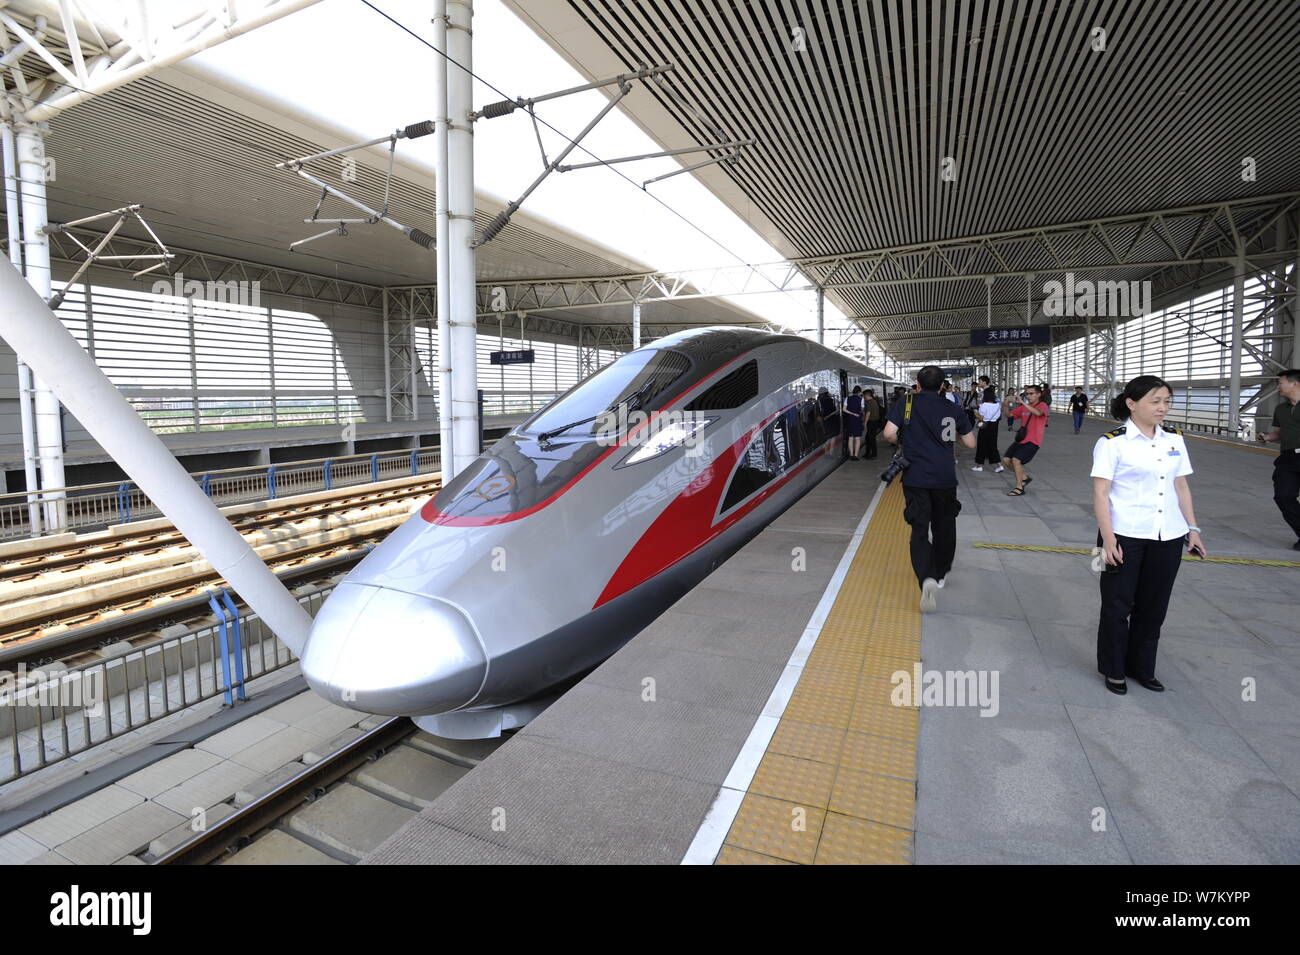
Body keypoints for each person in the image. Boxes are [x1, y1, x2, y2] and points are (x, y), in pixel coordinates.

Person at [1092, 375, 1206, 695]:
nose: (1162, 407)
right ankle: (1114, 668)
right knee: (1116, 605)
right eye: (1155, 401)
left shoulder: (1174, 439)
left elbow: (1180, 485)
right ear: (1132, 404)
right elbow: (1101, 493)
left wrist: (1192, 528)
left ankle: (1141, 667)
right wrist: (1108, 539)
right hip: (1123, 534)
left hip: (1168, 534)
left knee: (1154, 606)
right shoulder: (1112, 442)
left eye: (1166, 401)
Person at [882, 365, 976, 612]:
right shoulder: (954, 408)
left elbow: (889, 433)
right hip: (945, 478)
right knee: (945, 526)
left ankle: (926, 578)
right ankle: (942, 572)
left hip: (915, 478)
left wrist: (904, 440)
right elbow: (970, 442)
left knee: (919, 530)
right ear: (943, 386)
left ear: (918, 385)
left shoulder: (907, 403)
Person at [1256, 368, 1300, 550]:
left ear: (1294, 383)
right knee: (1283, 496)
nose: (1278, 386)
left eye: (1280, 382)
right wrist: (1267, 437)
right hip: (1288, 458)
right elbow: (1280, 432)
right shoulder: (1281, 409)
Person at [1002, 384, 1049, 495]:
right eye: (1027, 394)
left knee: (1016, 460)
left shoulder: (1042, 405)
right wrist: (1005, 404)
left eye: (1031, 394)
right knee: (1006, 460)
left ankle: (1019, 487)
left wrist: (1022, 402)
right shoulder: (1024, 407)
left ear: (1039, 394)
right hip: (1021, 439)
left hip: (1033, 441)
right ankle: (1024, 477)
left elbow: (1038, 413)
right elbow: (1009, 415)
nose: (1028, 396)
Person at [971, 385, 1004, 472]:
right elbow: (998, 416)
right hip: (994, 426)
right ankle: (999, 465)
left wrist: (975, 413)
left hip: (985, 426)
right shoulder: (998, 405)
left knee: (981, 445)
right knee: (993, 445)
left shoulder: (984, 405)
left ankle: (979, 465)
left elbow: (981, 417)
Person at [844, 385, 864, 459]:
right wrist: (857, 413)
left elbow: (844, 409)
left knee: (850, 438)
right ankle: (856, 455)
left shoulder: (847, 398)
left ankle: (851, 454)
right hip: (857, 420)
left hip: (850, 420)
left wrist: (852, 413)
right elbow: (862, 410)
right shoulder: (861, 399)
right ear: (859, 392)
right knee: (857, 438)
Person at [863, 388, 882, 459]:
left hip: (871, 422)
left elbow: (868, 413)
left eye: (863, 395)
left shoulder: (869, 402)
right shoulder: (874, 401)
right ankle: (868, 453)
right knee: (869, 438)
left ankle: (873, 454)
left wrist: (865, 423)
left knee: (870, 438)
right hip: (875, 422)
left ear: (866, 395)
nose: (863, 397)